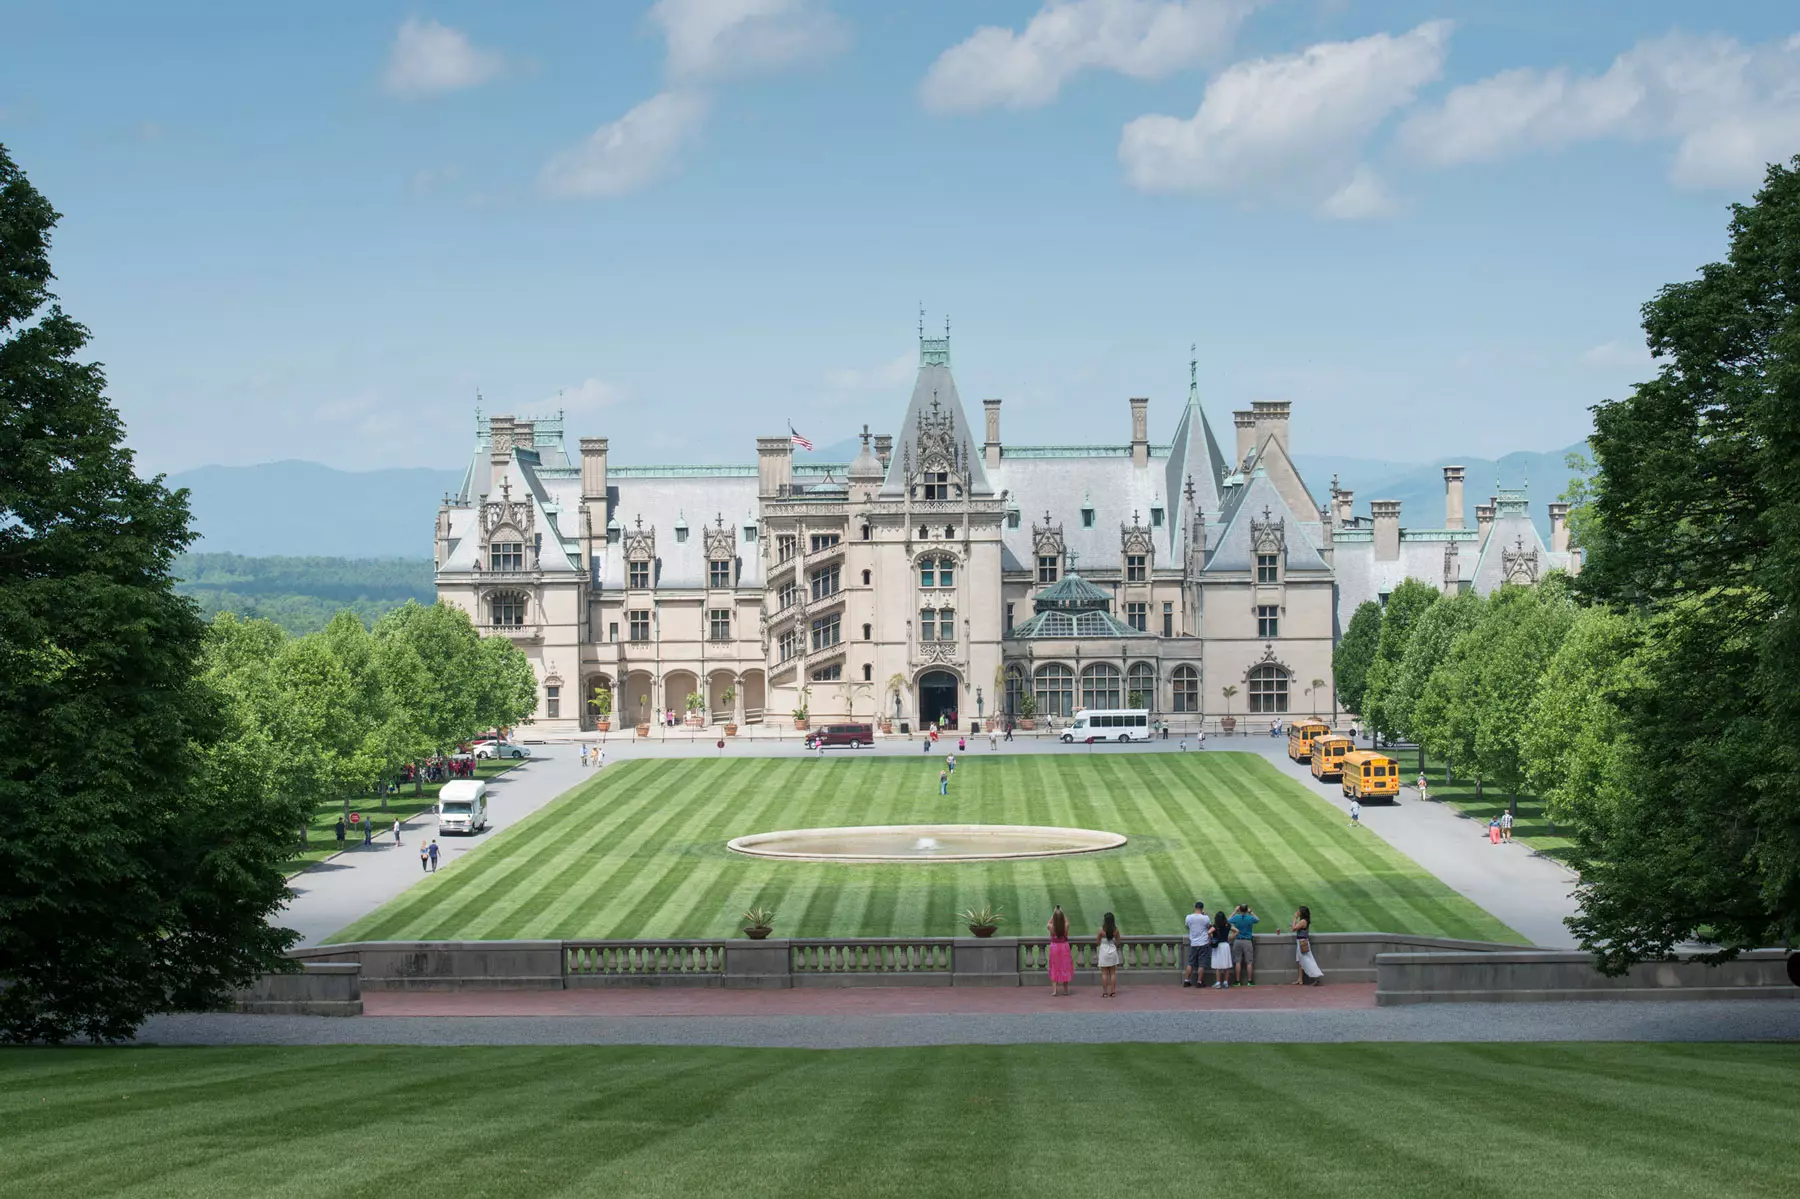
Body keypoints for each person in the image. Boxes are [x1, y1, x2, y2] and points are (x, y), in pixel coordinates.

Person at [1292, 906, 1324, 985]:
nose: (1297, 912)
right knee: (1300, 961)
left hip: (1302, 942)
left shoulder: (1303, 921)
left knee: (1307, 961)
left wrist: (1295, 918)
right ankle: (1300, 979)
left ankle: (1316, 977)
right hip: (1301, 941)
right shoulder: (1304, 920)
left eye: (1299, 911)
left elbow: (1293, 928)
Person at [1046, 906, 1074, 997]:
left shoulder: (1051, 927)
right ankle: (1065, 990)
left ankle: (1054, 990)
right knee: (1065, 967)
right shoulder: (1066, 926)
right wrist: (1061, 912)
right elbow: (1066, 921)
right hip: (1064, 947)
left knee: (1054, 966)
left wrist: (1054, 913)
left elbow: (1049, 922)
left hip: (1054, 947)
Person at [1183, 901, 1211, 988]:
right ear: (1202, 908)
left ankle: (1186, 980)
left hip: (1194, 943)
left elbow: (1187, 926)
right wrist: (1205, 915)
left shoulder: (1189, 917)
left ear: (1195, 907)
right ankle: (1199, 982)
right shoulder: (1205, 918)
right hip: (1203, 942)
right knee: (1201, 964)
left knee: (1190, 963)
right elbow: (1209, 927)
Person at [1229, 904, 1258, 986]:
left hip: (1238, 941)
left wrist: (1234, 911)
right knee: (1249, 962)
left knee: (1237, 961)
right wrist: (1251, 911)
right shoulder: (1250, 918)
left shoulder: (1236, 917)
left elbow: (1227, 920)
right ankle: (1249, 981)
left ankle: (1237, 981)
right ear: (1246, 910)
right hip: (1247, 941)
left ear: (1240, 910)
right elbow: (1257, 919)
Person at [1096, 912, 1123, 998]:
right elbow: (1118, 942)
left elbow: (1098, 942)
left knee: (1104, 974)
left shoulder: (1101, 930)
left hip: (1103, 952)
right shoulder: (1116, 930)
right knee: (1113, 973)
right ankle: (1113, 992)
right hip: (1113, 952)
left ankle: (1104, 992)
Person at [1210, 911, 1236, 989]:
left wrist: (1211, 939)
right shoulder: (1227, 925)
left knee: (1218, 965)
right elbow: (1236, 931)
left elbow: (1209, 932)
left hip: (1218, 946)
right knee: (1226, 965)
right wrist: (1230, 937)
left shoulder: (1216, 926)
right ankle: (1226, 982)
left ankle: (1218, 982)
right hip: (1225, 945)